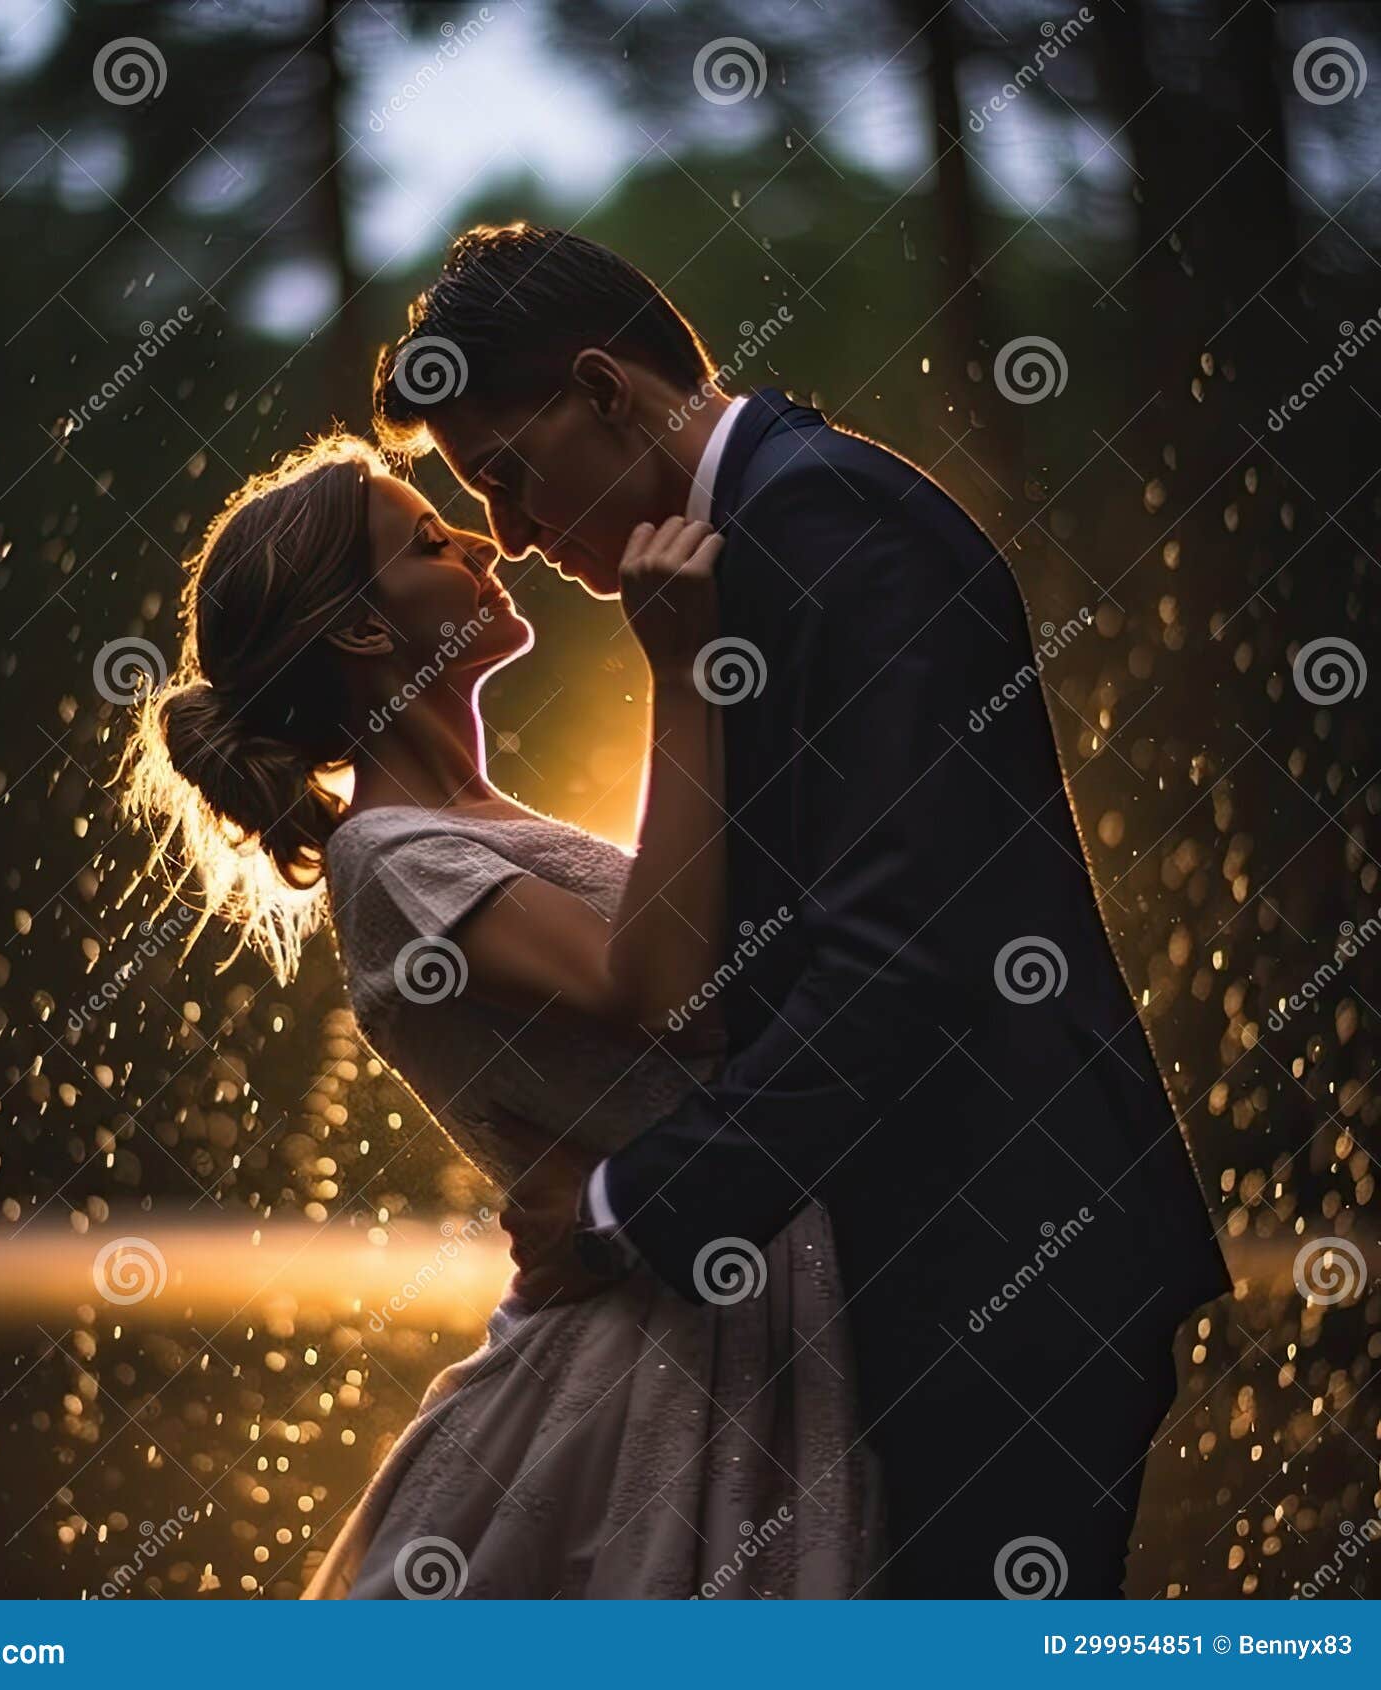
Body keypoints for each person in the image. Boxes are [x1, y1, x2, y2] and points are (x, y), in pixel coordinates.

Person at [370, 224, 1232, 1597]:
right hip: (939, 1257)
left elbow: (895, 953)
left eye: (511, 479)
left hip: (1004, 1248)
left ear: (604, 388)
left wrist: (624, 1204)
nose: (517, 538)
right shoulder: (772, 529)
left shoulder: (829, 523)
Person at [122, 433, 878, 1599]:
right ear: (367, 634)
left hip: (718, 1295)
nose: (477, 535)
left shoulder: (481, 824)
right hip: (654, 1358)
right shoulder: (389, 857)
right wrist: (680, 673)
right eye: (429, 539)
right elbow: (666, 988)